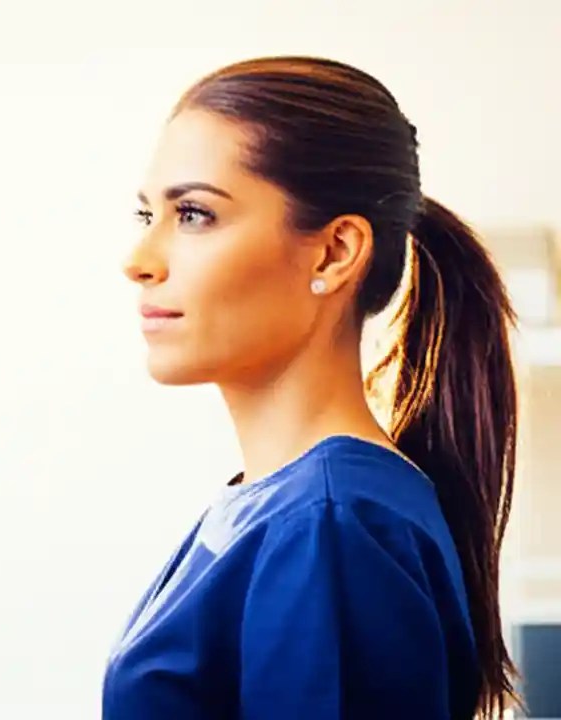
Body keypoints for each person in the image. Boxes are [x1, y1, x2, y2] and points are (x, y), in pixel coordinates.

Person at [105, 56, 519, 719]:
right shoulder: (286, 505)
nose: (139, 261)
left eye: (193, 214)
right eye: (145, 213)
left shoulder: (332, 523)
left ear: (334, 252)